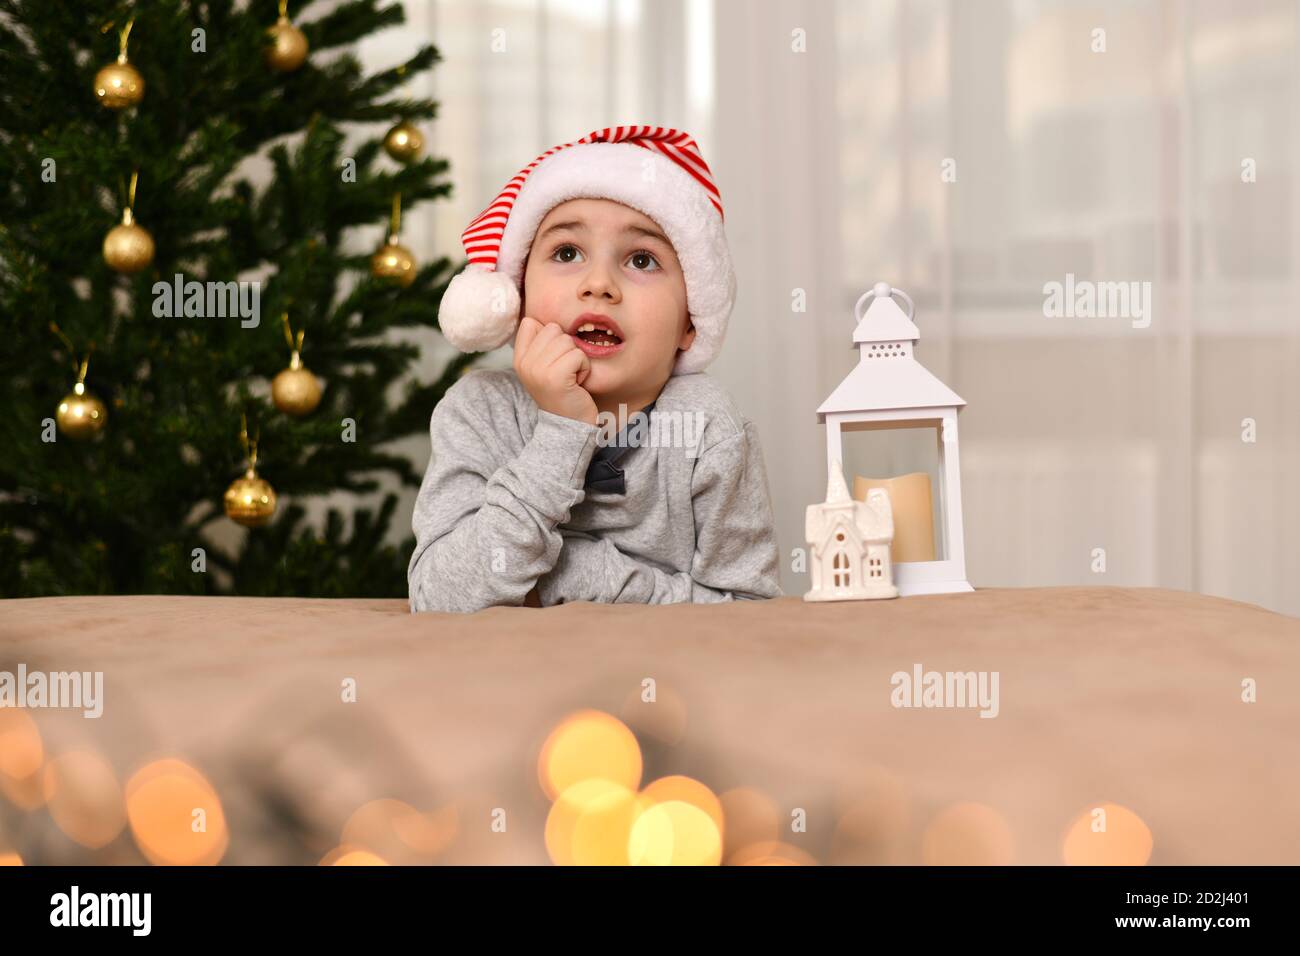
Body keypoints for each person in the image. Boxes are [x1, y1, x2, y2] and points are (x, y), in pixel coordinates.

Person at [408, 126, 783, 613]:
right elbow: (438, 599)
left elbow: (747, 611)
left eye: (642, 260)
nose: (599, 284)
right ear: (517, 297)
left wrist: (579, 575)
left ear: (690, 323)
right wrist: (561, 433)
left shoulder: (708, 428)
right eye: (567, 253)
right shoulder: (478, 411)